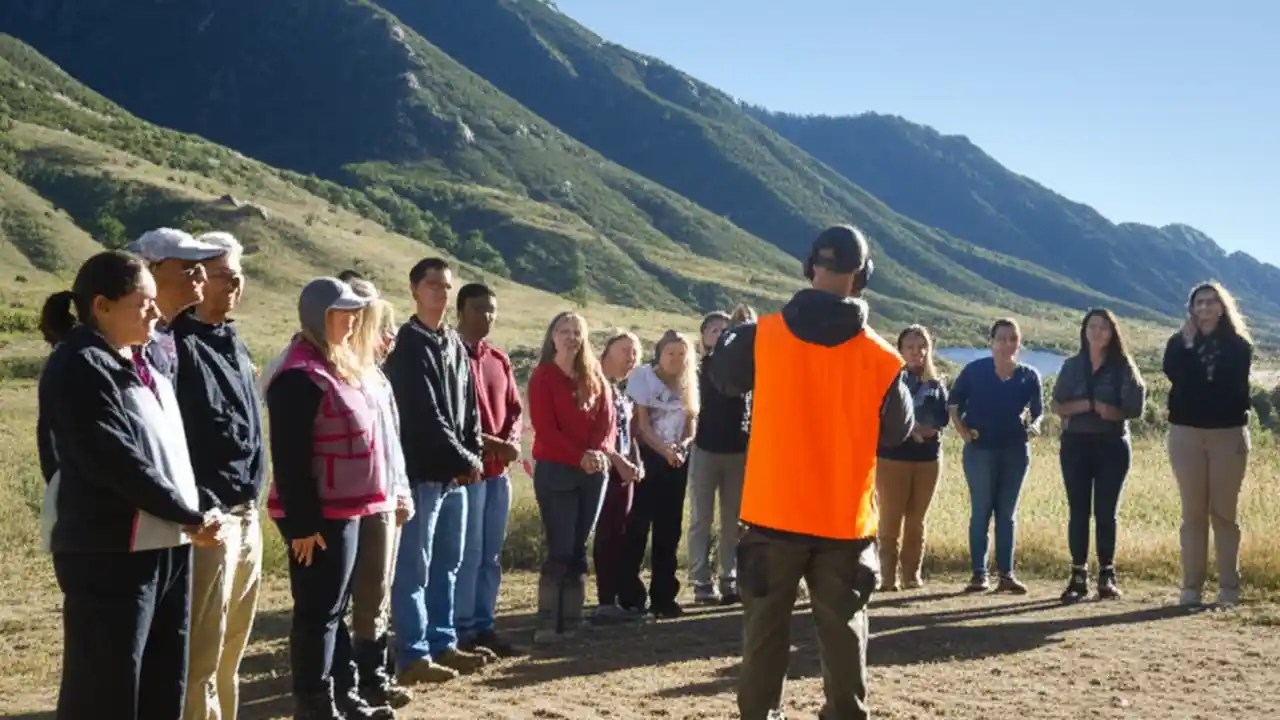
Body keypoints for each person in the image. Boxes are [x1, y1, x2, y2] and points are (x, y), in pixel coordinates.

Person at [709, 224, 913, 720]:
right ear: (862, 277)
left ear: (809, 267)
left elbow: (722, 378)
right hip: (844, 522)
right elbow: (899, 431)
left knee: (764, 636)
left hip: (773, 515)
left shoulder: (764, 337)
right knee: (844, 632)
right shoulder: (883, 358)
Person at [36, 250, 223, 720]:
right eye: (143, 303)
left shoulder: (142, 364)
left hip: (165, 545)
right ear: (102, 305)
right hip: (110, 552)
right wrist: (189, 515)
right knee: (107, 687)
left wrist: (198, 506)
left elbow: (168, 454)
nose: (156, 314)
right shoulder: (79, 366)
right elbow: (115, 460)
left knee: (163, 680)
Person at [264, 277, 393, 720]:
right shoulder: (298, 376)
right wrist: (303, 524)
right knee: (317, 612)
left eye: (358, 311)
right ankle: (314, 705)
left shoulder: (336, 363)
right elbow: (290, 458)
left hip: (348, 509)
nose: (355, 318)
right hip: (317, 516)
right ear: (321, 316)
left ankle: (344, 697)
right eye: (345, 311)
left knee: (335, 611)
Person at [171, 232, 268, 720]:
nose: (237, 284)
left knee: (233, 649)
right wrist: (202, 506)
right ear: (199, 278)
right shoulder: (176, 346)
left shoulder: (232, 339)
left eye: (239, 276)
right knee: (200, 655)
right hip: (209, 520)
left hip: (247, 514)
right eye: (227, 275)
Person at [386, 258, 489, 684]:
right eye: (432, 285)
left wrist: (475, 449)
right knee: (415, 568)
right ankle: (412, 652)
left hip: (454, 478)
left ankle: (443, 641)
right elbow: (424, 415)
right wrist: (465, 459)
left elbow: (469, 408)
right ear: (414, 290)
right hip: (422, 473)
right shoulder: (407, 346)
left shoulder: (451, 343)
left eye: (446, 287)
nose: (440, 293)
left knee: (449, 562)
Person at [345, 278, 415, 709]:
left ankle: (375, 676)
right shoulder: (337, 373)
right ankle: (353, 681)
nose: (388, 337)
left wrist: (402, 490)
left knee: (379, 594)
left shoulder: (379, 379)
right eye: (381, 326)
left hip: (387, 497)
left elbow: (392, 441)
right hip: (353, 501)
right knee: (357, 597)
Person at [527, 312, 617, 642]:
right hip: (557, 471)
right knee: (560, 548)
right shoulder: (543, 377)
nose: (570, 337)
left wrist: (597, 453)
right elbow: (546, 430)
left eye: (576, 332)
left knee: (579, 548)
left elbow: (608, 424)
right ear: (552, 337)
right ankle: (548, 624)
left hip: (592, 474)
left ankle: (573, 621)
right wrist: (579, 455)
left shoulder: (594, 376)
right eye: (563, 331)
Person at [1163, 281, 1254, 607]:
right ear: (1191, 308)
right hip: (1185, 433)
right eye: (1198, 302)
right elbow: (1177, 377)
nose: (1204, 308)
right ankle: (1191, 588)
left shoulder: (1239, 346)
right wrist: (1188, 344)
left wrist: (1199, 385)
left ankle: (1229, 588)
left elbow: (1230, 389)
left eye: (1210, 302)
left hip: (1227, 435)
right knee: (1192, 514)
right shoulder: (1177, 344)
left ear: (1222, 306)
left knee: (1224, 515)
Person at [1052, 309, 1146, 602]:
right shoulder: (1071, 366)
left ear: (1113, 332)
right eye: (1092, 326)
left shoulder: (1123, 367)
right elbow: (1056, 405)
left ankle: (1106, 574)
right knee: (1078, 511)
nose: (1097, 332)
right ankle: (1078, 574)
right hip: (1076, 444)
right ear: (1084, 330)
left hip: (1112, 446)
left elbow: (1136, 407)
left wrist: (1112, 412)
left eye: (1104, 327)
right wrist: (1088, 405)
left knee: (1106, 512)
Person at [452, 283, 524, 657]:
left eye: (492, 309)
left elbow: (514, 408)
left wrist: (510, 441)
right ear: (461, 310)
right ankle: (461, 627)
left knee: (490, 554)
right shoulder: (449, 356)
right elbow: (453, 420)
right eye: (480, 309)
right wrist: (496, 444)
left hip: (500, 472)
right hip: (469, 470)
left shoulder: (497, 358)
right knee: (468, 551)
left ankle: (485, 623)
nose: (487, 316)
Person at [949, 318, 1044, 595]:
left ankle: (1006, 574)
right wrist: (963, 433)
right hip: (980, 451)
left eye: (1012, 338)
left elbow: (1038, 411)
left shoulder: (1029, 375)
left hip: (1015, 450)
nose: (1006, 344)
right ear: (991, 342)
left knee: (1007, 514)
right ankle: (979, 574)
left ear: (1019, 343)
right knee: (981, 511)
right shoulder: (974, 371)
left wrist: (1035, 426)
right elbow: (954, 404)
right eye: (1001, 338)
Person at [620, 330, 700, 618]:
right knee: (638, 527)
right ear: (660, 354)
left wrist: (682, 446)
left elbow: (691, 423)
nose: (676, 359)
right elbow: (642, 424)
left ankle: (664, 595)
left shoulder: (690, 380)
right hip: (647, 458)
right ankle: (630, 594)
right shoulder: (643, 378)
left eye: (681, 354)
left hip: (677, 461)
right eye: (671, 353)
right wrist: (663, 450)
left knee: (669, 530)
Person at [875, 325, 950, 591]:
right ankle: (886, 576)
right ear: (901, 350)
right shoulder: (890, 378)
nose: (917, 352)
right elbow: (881, 417)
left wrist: (927, 430)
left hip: (928, 458)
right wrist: (912, 431)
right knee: (890, 517)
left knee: (917, 519)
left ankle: (911, 574)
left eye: (922, 346)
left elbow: (943, 417)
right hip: (893, 457)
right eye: (911, 347)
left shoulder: (935, 383)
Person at [687, 309, 751, 605]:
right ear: (703, 336)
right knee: (701, 517)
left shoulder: (744, 370)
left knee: (732, 519)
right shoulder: (697, 370)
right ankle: (700, 579)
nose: (719, 333)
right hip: (704, 448)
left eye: (724, 329)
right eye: (712, 329)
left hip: (737, 451)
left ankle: (730, 576)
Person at [591, 330, 645, 623]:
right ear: (607, 351)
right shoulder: (594, 386)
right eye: (625, 349)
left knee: (619, 535)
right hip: (602, 471)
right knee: (606, 535)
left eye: (635, 352)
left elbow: (629, 432)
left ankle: (614, 599)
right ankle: (604, 601)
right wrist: (618, 460)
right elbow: (596, 434)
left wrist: (635, 459)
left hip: (624, 473)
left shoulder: (621, 392)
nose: (631, 357)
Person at [128, 227, 225, 380]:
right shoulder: (128, 339)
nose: (202, 278)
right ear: (149, 270)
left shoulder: (175, 335)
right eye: (188, 267)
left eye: (201, 268)